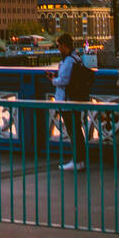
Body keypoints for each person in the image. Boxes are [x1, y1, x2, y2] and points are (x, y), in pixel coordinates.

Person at [49, 33, 87, 171]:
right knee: (77, 130)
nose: (58, 49)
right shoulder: (77, 58)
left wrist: (53, 80)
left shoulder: (69, 61)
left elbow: (64, 81)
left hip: (67, 101)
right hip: (76, 99)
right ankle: (80, 160)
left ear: (65, 45)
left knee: (73, 131)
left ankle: (77, 161)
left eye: (59, 46)